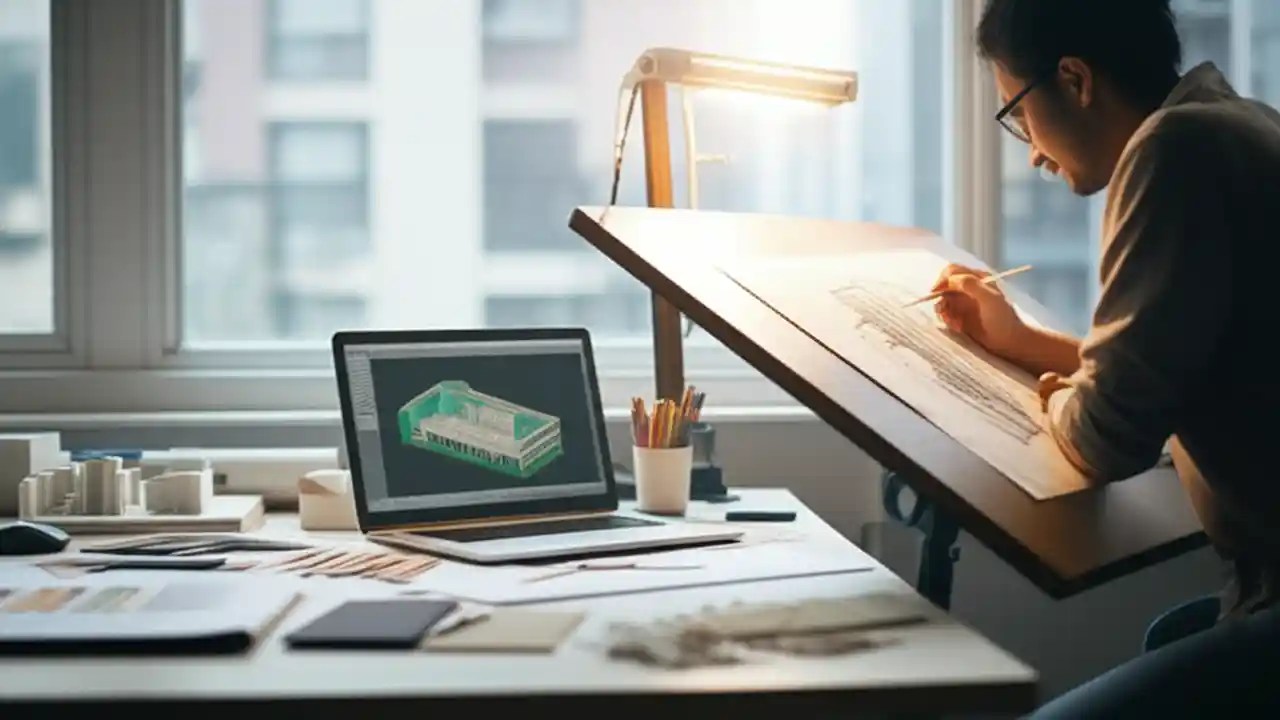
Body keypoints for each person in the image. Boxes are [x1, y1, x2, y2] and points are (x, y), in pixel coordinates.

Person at [934, 0, 1280, 715]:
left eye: (1018, 114)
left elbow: (1105, 436)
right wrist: (1019, 343)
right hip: (1255, 587)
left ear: (1075, 79)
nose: (1029, 149)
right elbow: (1185, 354)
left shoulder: (1172, 153)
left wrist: (1064, 399)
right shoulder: (1239, 124)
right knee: (1166, 641)